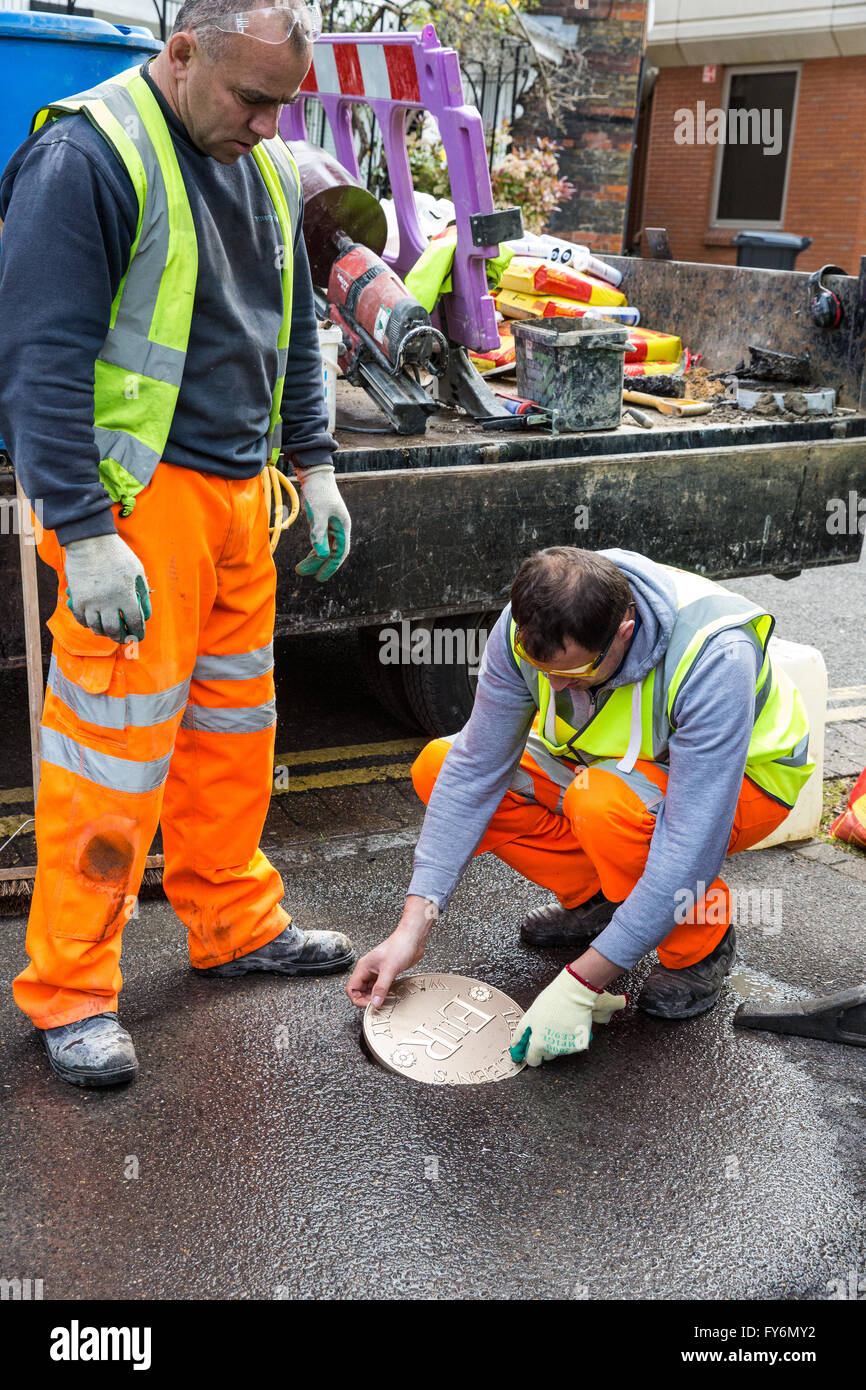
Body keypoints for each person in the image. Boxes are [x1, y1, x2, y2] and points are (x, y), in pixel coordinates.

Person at [0, 0, 356, 1088]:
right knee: (111, 757)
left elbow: (292, 322)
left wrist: (315, 459)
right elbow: (39, 356)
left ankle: (233, 921)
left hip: (240, 499)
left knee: (232, 731)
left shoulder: (258, 164)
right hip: (136, 511)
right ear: (181, 53)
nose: (264, 124)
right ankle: (69, 990)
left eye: (281, 104)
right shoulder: (88, 157)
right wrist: (82, 530)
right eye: (250, 99)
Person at [347, 547, 814, 1068]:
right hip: (606, 766)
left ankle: (699, 942)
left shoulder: (716, 656)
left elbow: (692, 840)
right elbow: (475, 769)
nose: (555, 687)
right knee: (439, 765)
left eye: (576, 671)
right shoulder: (529, 626)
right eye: (540, 669)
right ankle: (601, 898)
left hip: (746, 783)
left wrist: (582, 982)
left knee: (603, 804)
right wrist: (411, 929)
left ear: (625, 630)